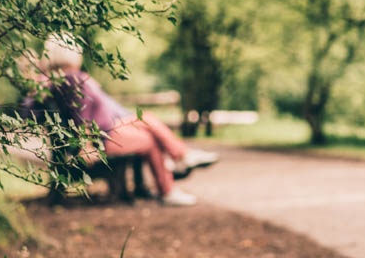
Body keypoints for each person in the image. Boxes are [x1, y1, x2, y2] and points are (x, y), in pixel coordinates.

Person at [24, 36, 219, 206]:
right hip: (102, 137)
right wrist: (86, 144)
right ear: (74, 53)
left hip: (108, 128)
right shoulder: (73, 79)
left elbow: (34, 109)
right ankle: (172, 179)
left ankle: (179, 162)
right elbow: (80, 114)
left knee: (148, 121)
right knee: (149, 138)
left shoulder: (54, 79)